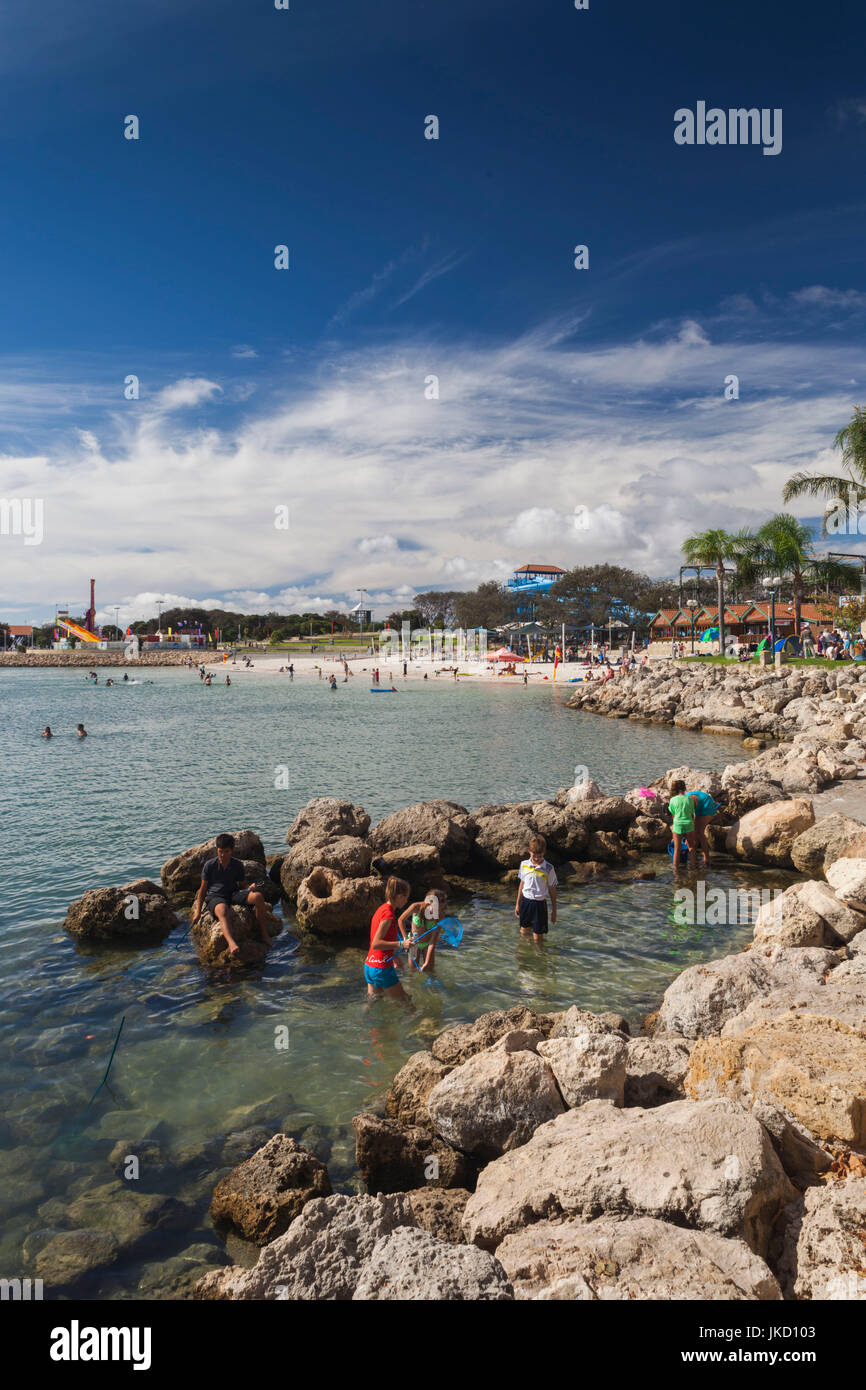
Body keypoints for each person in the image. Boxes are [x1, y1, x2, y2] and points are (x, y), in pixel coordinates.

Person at [191, 833, 273, 957]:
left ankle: (264, 934)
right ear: (217, 850)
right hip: (215, 897)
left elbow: (242, 884)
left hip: (233, 893)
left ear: (232, 850)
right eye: (220, 851)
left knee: (258, 897)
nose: (223, 855)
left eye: (227, 851)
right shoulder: (210, 865)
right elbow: (202, 890)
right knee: (223, 910)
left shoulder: (237, 865)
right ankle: (231, 943)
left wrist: (249, 888)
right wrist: (197, 912)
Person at [364, 877, 411, 999]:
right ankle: (422, 1018)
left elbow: (379, 939)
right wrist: (401, 944)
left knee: (373, 1002)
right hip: (381, 968)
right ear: (400, 896)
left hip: (370, 965)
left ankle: (362, 1018)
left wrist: (394, 958)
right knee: (406, 1001)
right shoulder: (388, 915)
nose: (407, 901)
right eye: (406, 897)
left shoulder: (381, 909)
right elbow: (376, 943)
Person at [515, 834, 558, 943]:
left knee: (538, 938)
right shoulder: (524, 864)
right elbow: (522, 884)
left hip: (539, 905)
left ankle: (539, 957)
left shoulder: (549, 868)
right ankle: (525, 956)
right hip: (526, 902)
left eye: (540, 855)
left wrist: (554, 910)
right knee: (524, 933)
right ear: (529, 851)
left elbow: (552, 889)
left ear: (544, 852)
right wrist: (517, 903)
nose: (537, 858)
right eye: (534, 855)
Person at [400, 889, 449, 973]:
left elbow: (432, 942)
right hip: (414, 943)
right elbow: (401, 920)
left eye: (440, 909)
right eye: (435, 908)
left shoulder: (440, 916)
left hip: (428, 944)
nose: (437, 912)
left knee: (430, 970)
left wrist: (426, 962)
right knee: (412, 971)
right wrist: (405, 939)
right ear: (428, 903)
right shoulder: (416, 907)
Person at [687, 787, 718, 867]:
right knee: (694, 830)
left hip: (706, 805)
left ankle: (706, 858)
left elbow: (690, 819)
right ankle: (694, 854)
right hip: (698, 805)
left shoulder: (688, 802)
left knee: (700, 832)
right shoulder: (680, 805)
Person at [668, 779, 695, 869]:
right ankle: (693, 868)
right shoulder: (690, 799)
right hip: (688, 823)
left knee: (677, 848)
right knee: (691, 847)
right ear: (684, 788)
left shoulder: (672, 800)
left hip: (678, 824)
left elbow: (673, 815)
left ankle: (676, 871)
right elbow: (692, 813)